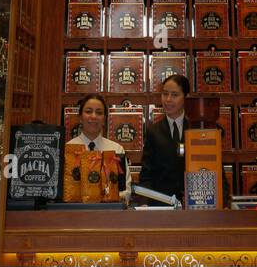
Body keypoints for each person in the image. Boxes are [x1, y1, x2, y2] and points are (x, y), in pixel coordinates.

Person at [67, 93, 130, 201]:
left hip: (109, 214)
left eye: (99, 112)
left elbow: (125, 191)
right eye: (88, 111)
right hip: (76, 214)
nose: (93, 116)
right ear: (80, 117)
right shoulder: (68, 149)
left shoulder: (116, 150)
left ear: (104, 119)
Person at [138, 73, 190, 202]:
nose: (168, 99)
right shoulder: (153, 131)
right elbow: (147, 174)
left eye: (174, 95)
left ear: (186, 97)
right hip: (161, 205)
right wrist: (144, 203)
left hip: (194, 203)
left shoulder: (197, 129)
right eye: (165, 94)